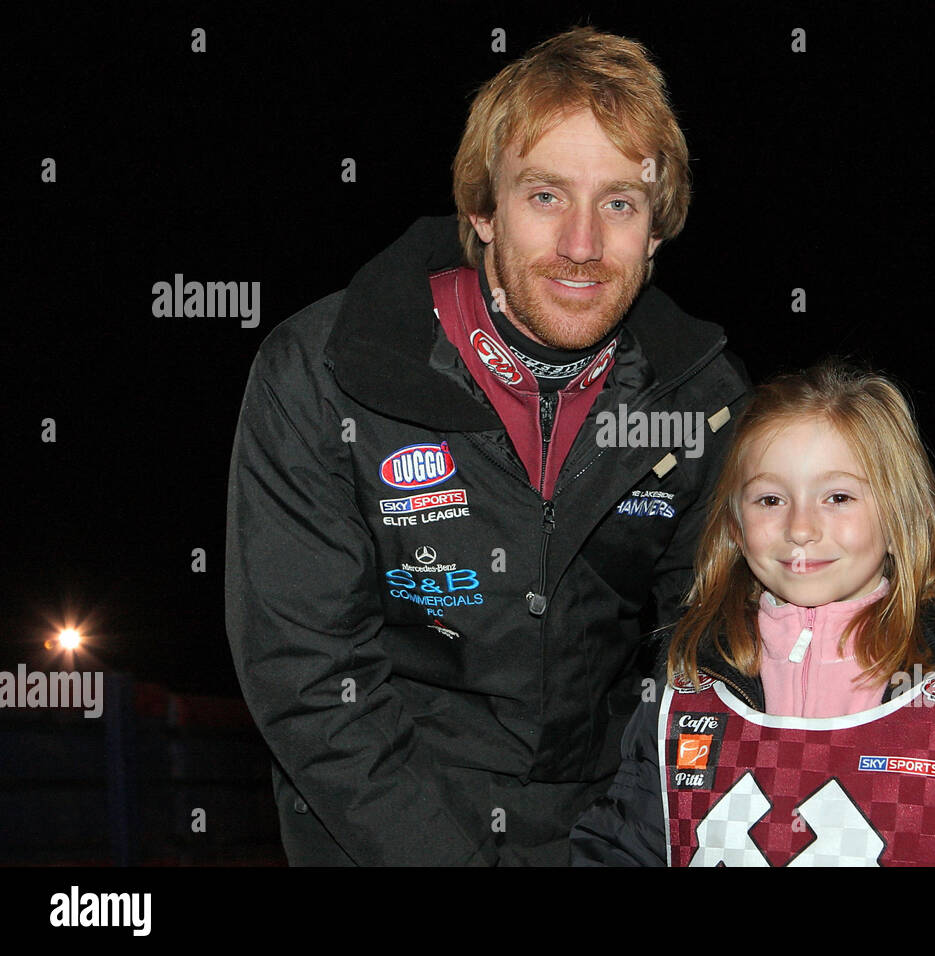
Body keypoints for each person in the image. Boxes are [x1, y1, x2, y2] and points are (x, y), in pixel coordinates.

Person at [224, 27, 749, 865]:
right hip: (375, 829)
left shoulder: (703, 402)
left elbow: (713, 656)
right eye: (545, 195)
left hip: (601, 829)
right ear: (483, 213)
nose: (582, 244)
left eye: (619, 202)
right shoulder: (325, 369)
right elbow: (307, 674)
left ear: (655, 235)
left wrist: (636, 834)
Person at [571, 360, 935, 866]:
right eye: (770, 499)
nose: (800, 527)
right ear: (733, 522)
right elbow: (622, 841)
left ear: (899, 512)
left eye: (837, 496)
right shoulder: (685, 684)